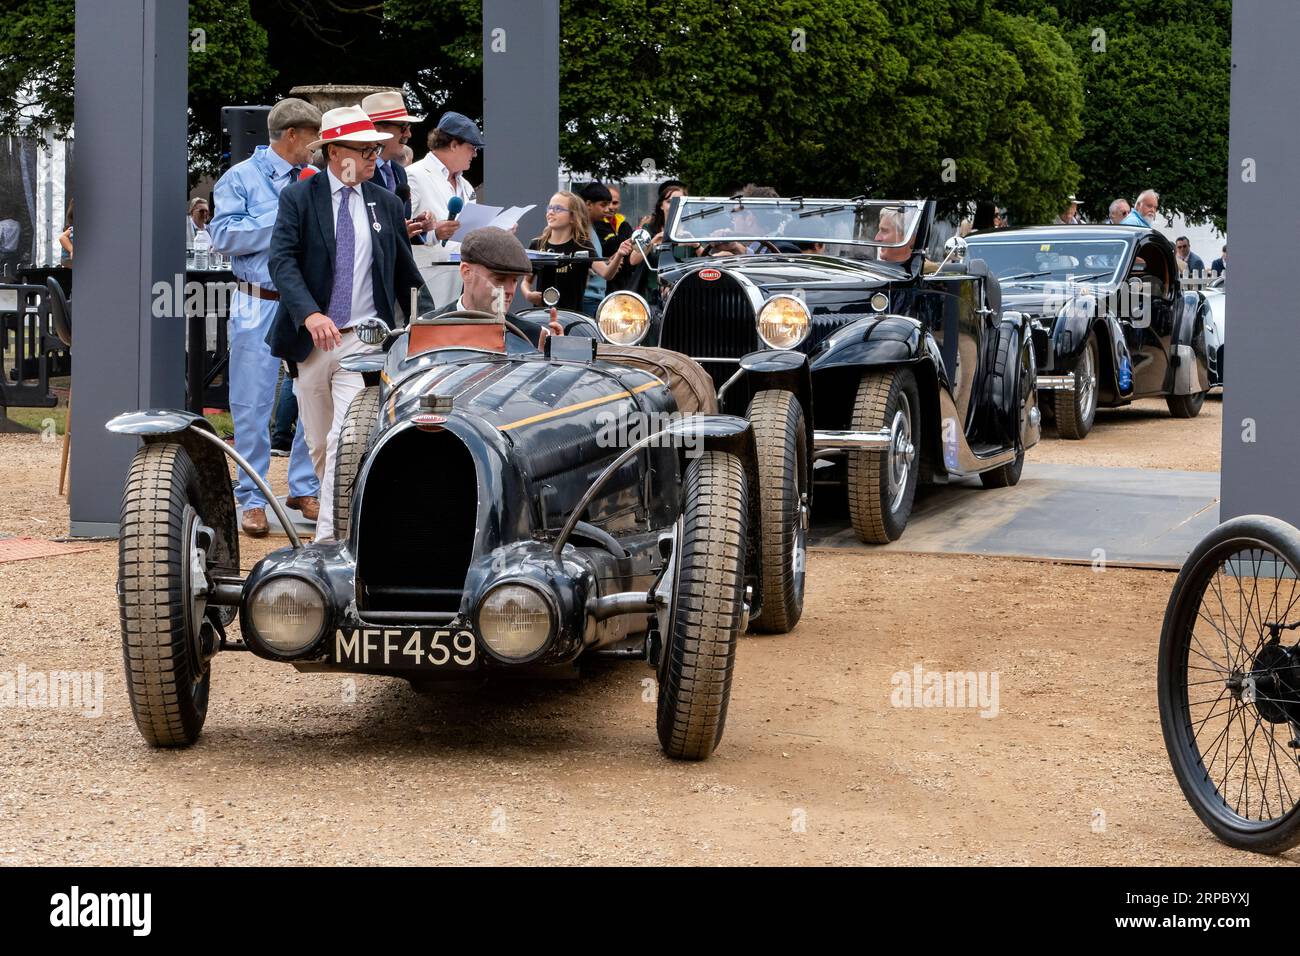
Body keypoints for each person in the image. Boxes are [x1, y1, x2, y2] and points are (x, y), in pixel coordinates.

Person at [267, 105, 429, 543]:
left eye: (376, 150)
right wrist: (310, 313)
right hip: (311, 341)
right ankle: (346, 515)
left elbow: (404, 274)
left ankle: (329, 541)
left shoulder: (388, 204)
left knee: (344, 439)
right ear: (335, 151)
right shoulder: (299, 197)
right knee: (320, 445)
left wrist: (430, 322)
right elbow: (281, 262)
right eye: (365, 151)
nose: (375, 159)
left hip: (364, 342)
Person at [207, 97, 322, 537]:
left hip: (308, 302)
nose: (316, 149)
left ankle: (302, 486)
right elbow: (222, 236)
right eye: (312, 138)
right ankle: (251, 497)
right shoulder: (240, 178)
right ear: (292, 135)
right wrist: (285, 214)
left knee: (311, 395)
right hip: (257, 299)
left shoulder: (317, 180)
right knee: (252, 402)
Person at [406, 111, 483, 308]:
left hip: (459, 282)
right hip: (425, 283)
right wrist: (434, 233)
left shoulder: (465, 184)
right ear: (454, 144)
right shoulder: (415, 175)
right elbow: (398, 232)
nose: (474, 154)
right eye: (472, 148)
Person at [361, 90, 432, 244]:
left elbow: (397, 223)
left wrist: (417, 225)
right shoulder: (358, 172)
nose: (408, 134)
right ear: (376, 129)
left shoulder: (399, 171)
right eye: (403, 127)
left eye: (409, 127)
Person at [520, 192, 597, 311]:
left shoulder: (583, 246)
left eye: (558, 209)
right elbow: (525, 281)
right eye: (549, 208)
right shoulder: (537, 244)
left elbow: (607, 274)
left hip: (572, 315)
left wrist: (619, 254)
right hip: (541, 314)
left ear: (572, 216)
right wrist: (528, 295)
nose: (550, 212)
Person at [579, 182, 633, 305]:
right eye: (603, 205)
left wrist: (608, 262)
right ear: (588, 204)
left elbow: (594, 264)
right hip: (587, 298)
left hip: (597, 296)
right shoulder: (580, 230)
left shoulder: (590, 228)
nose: (608, 209)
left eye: (611, 203)